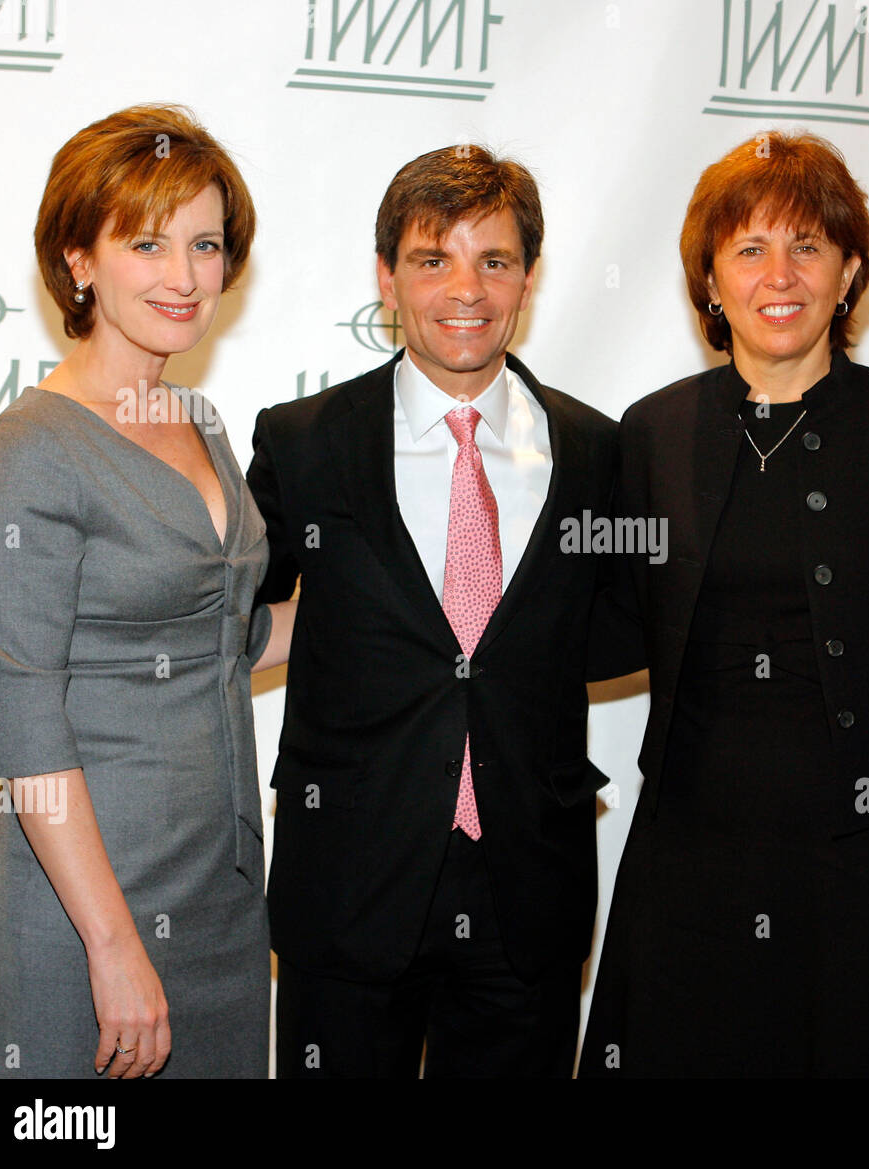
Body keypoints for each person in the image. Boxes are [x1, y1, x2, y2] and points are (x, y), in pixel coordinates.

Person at [579, 131, 869, 1078]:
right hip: (693, 843)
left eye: (808, 245)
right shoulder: (654, 430)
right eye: (748, 249)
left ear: (849, 272)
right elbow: (600, 628)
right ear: (710, 283)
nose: (780, 274)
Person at [247, 144, 638, 1078]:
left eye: (494, 261)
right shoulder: (301, 442)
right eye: (433, 260)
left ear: (529, 279)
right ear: (387, 278)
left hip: (526, 894)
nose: (466, 288)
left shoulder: (597, 449)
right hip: (348, 882)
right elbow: (229, 615)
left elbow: (612, 632)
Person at [0, 105, 295, 1078]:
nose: (184, 276)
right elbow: (24, 729)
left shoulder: (201, 423)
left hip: (218, 894)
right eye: (146, 242)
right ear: (78, 258)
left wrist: (418, 608)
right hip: (80, 913)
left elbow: (227, 637)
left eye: (205, 243)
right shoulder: (28, 454)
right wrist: (112, 947)